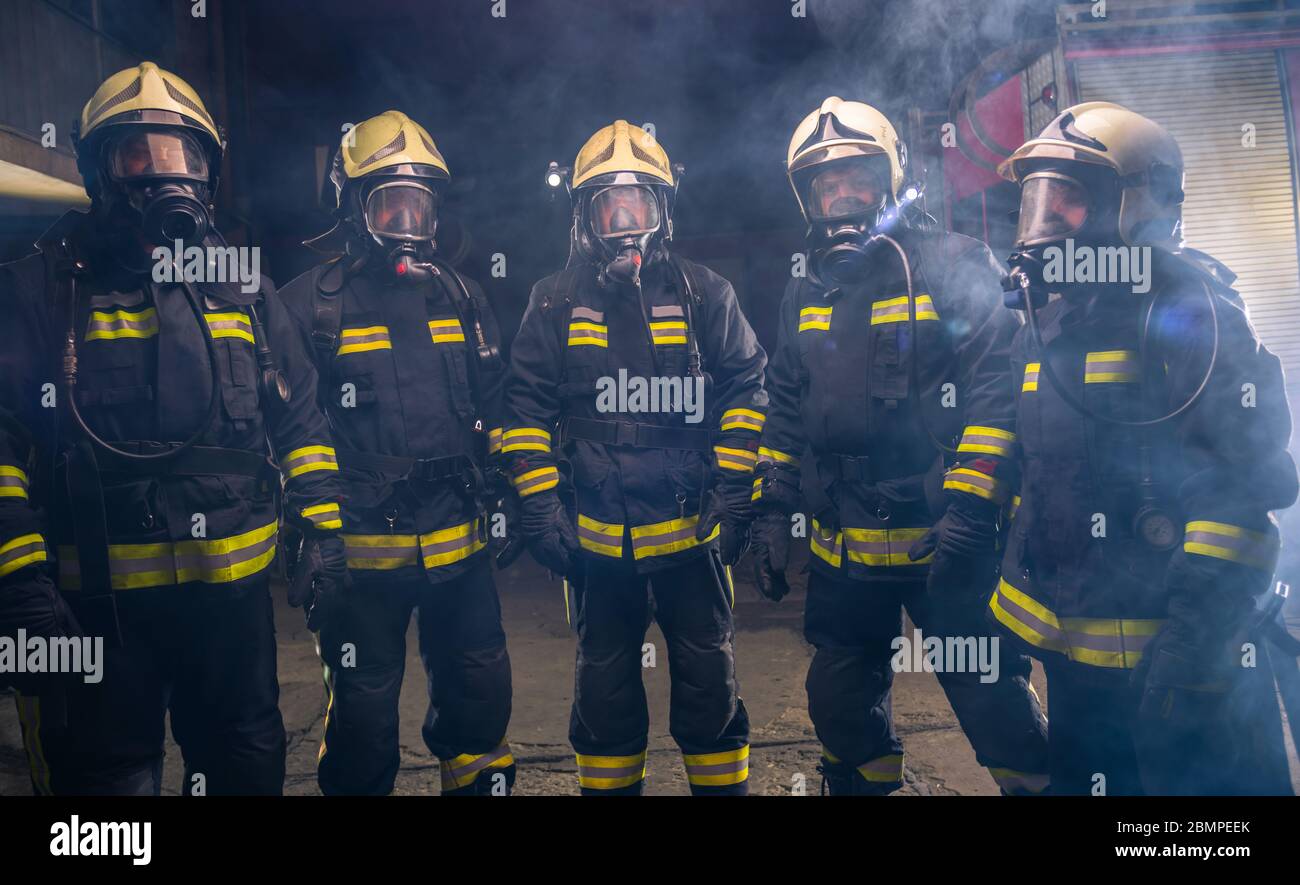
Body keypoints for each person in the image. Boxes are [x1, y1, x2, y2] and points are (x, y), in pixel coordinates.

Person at [0, 62, 346, 795]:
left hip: (231, 610)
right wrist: (20, 581)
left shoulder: (241, 284)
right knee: (106, 795)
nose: (167, 176)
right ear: (100, 169)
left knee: (247, 764)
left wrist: (322, 532)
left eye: (185, 157)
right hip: (96, 613)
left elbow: (301, 418)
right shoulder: (39, 288)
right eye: (140, 155)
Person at [992, 101, 1297, 795]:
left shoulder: (1194, 311)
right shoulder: (1050, 320)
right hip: (1082, 671)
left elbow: (1240, 493)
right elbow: (1045, 480)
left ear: (1137, 208)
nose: (1047, 220)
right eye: (1040, 199)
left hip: (1191, 670)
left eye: (1069, 199)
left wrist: (1192, 647)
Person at [751, 97, 1050, 795]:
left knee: (993, 698)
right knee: (840, 708)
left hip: (946, 544)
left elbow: (997, 394)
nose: (844, 199)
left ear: (890, 180)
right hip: (843, 553)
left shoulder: (953, 263)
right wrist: (770, 505)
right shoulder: (807, 289)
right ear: (809, 200)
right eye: (828, 187)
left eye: (858, 179)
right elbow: (786, 402)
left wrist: (972, 515)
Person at [504, 120, 766, 794]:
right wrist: (538, 505)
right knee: (605, 697)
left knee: (711, 690)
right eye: (608, 206)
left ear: (663, 210)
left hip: (692, 537)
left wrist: (736, 488)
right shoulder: (554, 300)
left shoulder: (706, 292)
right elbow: (525, 409)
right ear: (585, 218)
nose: (625, 222)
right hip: (598, 545)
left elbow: (747, 385)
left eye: (639, 204)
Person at [279, 110, 515, 796]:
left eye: (419, 204)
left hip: (460, 558)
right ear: (352, 208)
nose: (407, 223)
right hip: (362, 567)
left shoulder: (463, 298)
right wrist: (318, 532)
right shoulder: (306, 308)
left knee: (480, 711)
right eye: (389, 204)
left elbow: (496, 404)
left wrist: (512, 488)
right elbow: (295, 432)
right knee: (361, 727)